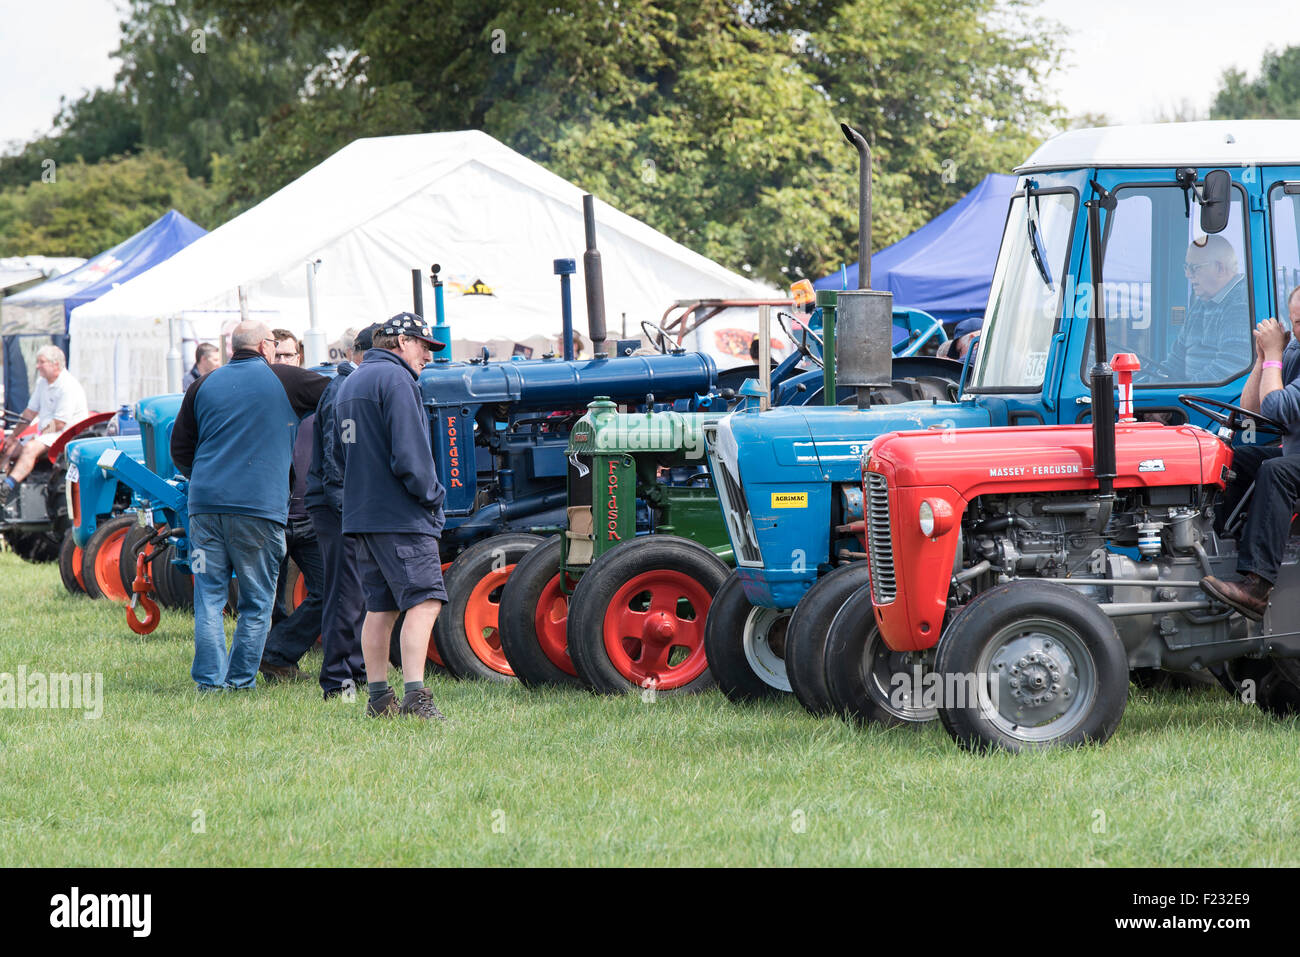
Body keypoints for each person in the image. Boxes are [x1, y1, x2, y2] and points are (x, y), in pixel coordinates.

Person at [170, 320, 328, 691]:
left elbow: (179, 448)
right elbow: (340, 393)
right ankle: (240, 682)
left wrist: (208, 478)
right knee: (256, 602)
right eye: (274, 345)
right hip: (258, 511)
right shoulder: (284, 379)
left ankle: (209, 683)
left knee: (208, 597)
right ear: (263, 347)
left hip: (204, 509)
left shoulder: (202, 384)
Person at [334, 312, 448, 719]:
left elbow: (337, 454)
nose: (428, 357)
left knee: (380, 607)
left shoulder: (350, 382)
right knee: (425, 600)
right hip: (400, 515)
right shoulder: (398, 380)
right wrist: (434, 496)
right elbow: (410, 456)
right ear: (400, 342)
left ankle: (379, 699)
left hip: (362, 514)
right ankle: (416, 699)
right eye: (423, 346)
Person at [1200, 286, 1300, 620]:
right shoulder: (1296, 351)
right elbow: (1250, 408)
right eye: (1296, 322)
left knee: (1277, 470)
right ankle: (1219, 549)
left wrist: (1274, 354)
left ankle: (1257, 586)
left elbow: (1278, 409)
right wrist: (1262, 360)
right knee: (1239, 459)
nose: (1298, 331)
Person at [305, 323, 381, 700]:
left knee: (357, 592)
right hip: (338, 505)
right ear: (365, 353)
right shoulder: (342, 389)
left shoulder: (344, 386)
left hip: (342, 502)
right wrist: (349, 511)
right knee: (346, 593)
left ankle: (356, 669)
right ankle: (338, 679)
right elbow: (338, 460)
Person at [1145, 235, 1251, 382]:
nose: (1187, 274)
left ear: (1220, 268)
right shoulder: (1201, 305)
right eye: (1187, 268)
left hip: (1213, 402)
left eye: (1194, 268)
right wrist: (1152, 386)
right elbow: (1175, 361)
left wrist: (1184, 391)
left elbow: (1229, 370)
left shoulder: (1241, 304)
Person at [0, 345, 88, 503]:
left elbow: (59, 423)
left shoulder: (68, 386)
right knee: (8, 448)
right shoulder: (43, 383)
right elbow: (29, 413)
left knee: (30, 448)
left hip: (65, 436)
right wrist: (13, 437)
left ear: (56, 365)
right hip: (48, 434)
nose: (37, 366)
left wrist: (36, 436)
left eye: (41, 362)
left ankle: (8, 486)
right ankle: (4, 484)